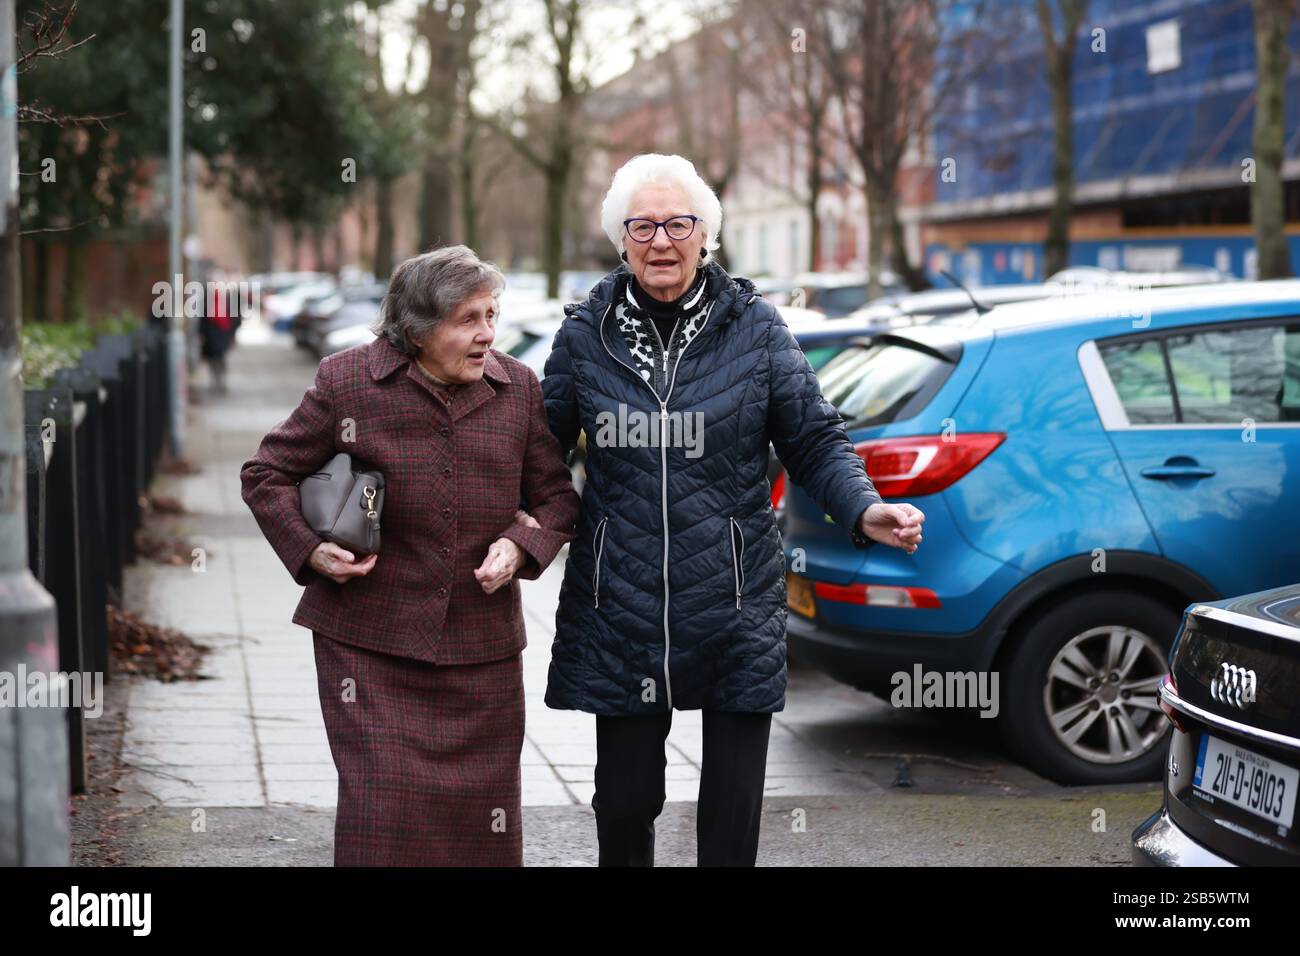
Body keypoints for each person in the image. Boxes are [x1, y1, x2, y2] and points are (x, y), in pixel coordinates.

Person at [542, 153, 925, 866]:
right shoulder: (583, 336)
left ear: (706, 235)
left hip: (734, 595)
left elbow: (814, 439)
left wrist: (864, 509)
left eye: (679, 224)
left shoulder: (756, 328)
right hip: (619, 598)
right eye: (644, 225)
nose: (662, 240)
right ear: (621, 239)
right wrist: (514, 532)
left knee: (732, 808)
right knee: (623, 801)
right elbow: (539, 455)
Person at [240, 245, 580, 866]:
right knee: (382, 818)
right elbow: (267, 473)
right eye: (468, 320)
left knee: (483, 829)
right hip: (369, 645)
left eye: (490, 315)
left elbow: (558, 498)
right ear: (419, 330)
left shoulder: (517, 389)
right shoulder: (348, 382)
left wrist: (520, 545)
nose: (487, 335)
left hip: (482, 654)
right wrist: (313, 551)